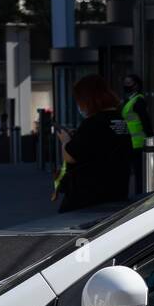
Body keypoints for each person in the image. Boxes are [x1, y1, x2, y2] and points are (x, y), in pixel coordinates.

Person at [54, 74, 132, 213]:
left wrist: (65, 140)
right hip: (117, 190)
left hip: (88, 197)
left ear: (88, 100)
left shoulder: (93, 123)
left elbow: (70, 156)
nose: (79, 105)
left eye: (79, 101)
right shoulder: (119, 119)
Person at [121, 73, 153, 195]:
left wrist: (150, 139)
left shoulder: (138, 100)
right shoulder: (129, 100)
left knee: (139, 173)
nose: (126, 85)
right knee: (136, 173)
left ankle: (140, 197)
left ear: (136, 85)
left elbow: (146, 122)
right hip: (131, 143)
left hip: (138, 144)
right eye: (125, 83)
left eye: (129, 83)